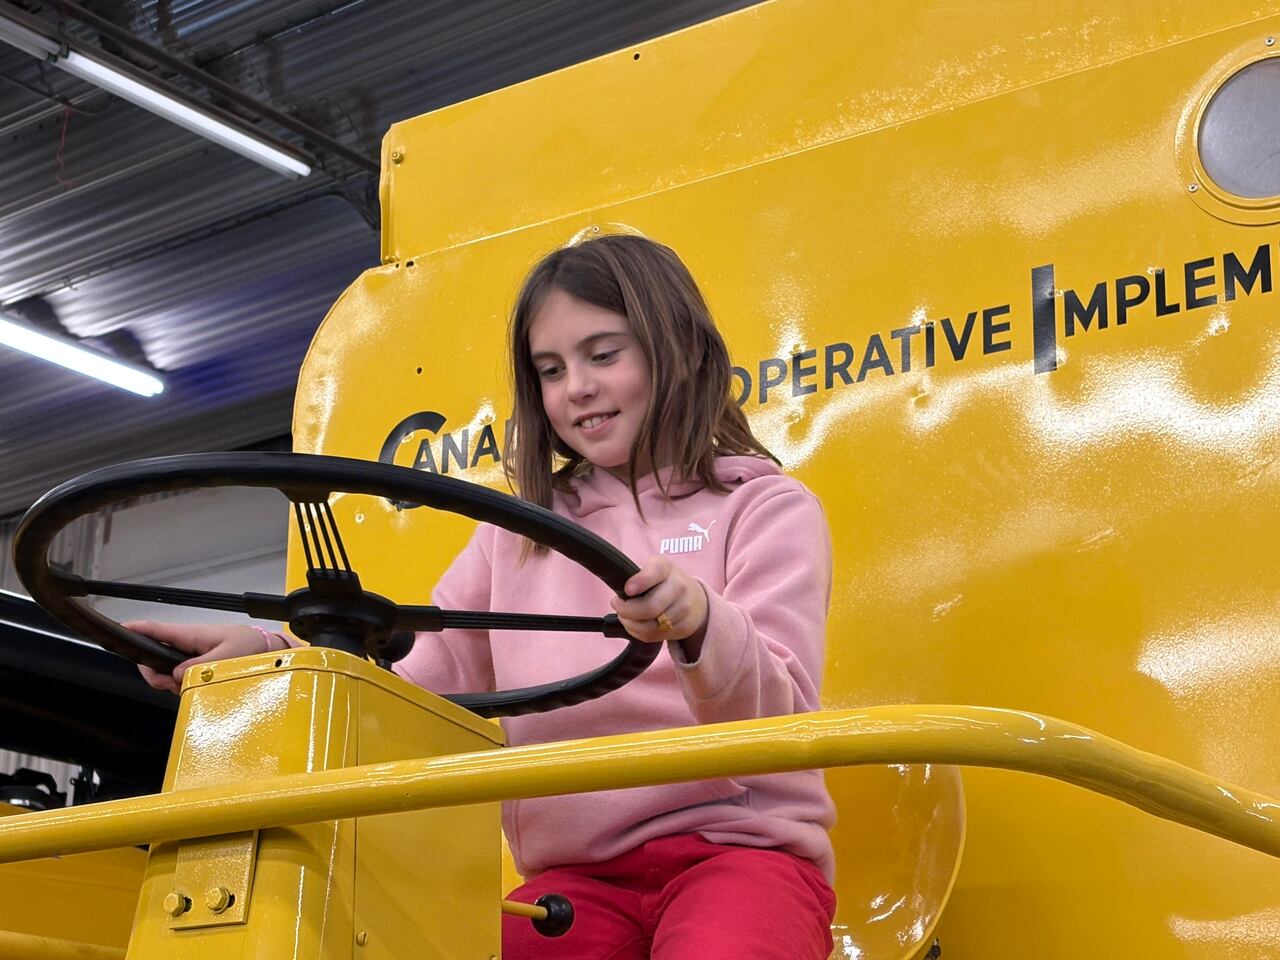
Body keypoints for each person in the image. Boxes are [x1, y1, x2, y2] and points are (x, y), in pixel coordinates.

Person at [133, 233, 837, 959]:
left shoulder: (764, 510)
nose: (576, 388)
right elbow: (412, 689)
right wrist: (267, 655)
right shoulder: (519, 536)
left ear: (682, 351)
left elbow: (779, 718)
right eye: (550, 370)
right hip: (573, 882)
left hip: (738, 854)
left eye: (603, 355)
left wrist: (701, 624)